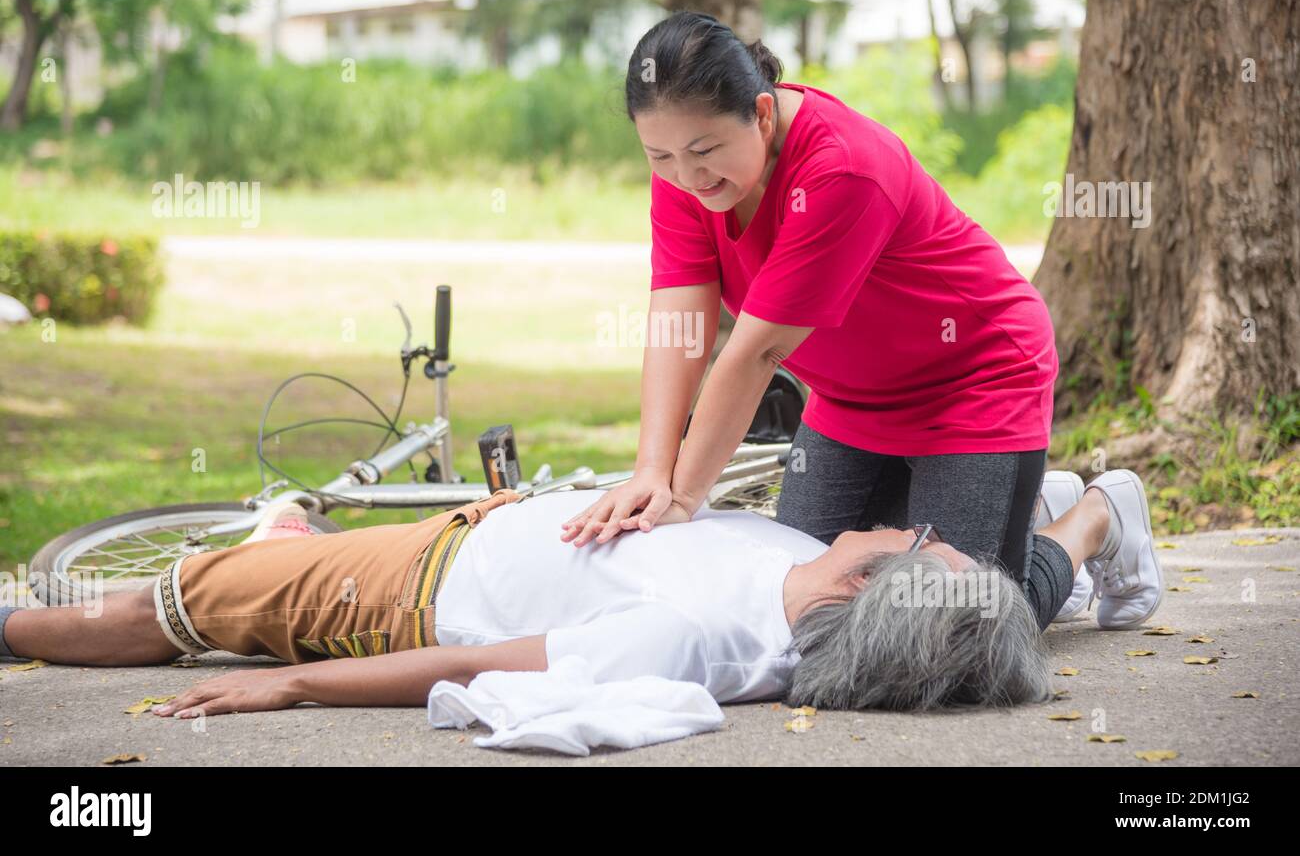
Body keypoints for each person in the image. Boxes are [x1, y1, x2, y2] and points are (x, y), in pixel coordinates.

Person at [560, 11, 1064, 608]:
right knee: (811, 603)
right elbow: (681, 321)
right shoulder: (684, 170)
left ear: (764, 114)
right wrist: (651, 470)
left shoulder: (843, 167)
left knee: (956, 616)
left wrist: (684, 500)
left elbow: (757, 353)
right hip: (849, 398)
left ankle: (1091, 521)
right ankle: (1009, 508)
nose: (686, 175)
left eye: (703, 150)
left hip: (973, 380)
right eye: (660, 155)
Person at [0, 470, 1163, 717]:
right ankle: (1096, 507)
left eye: (922, 543)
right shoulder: (801, 571)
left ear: (875, 578)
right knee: (1023, 582)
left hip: (401, 593)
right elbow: (980, 607)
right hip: (471, 532)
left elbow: (469, 668)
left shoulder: (693, 636)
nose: (919, 527)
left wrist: (296, 684)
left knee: (171, 608)